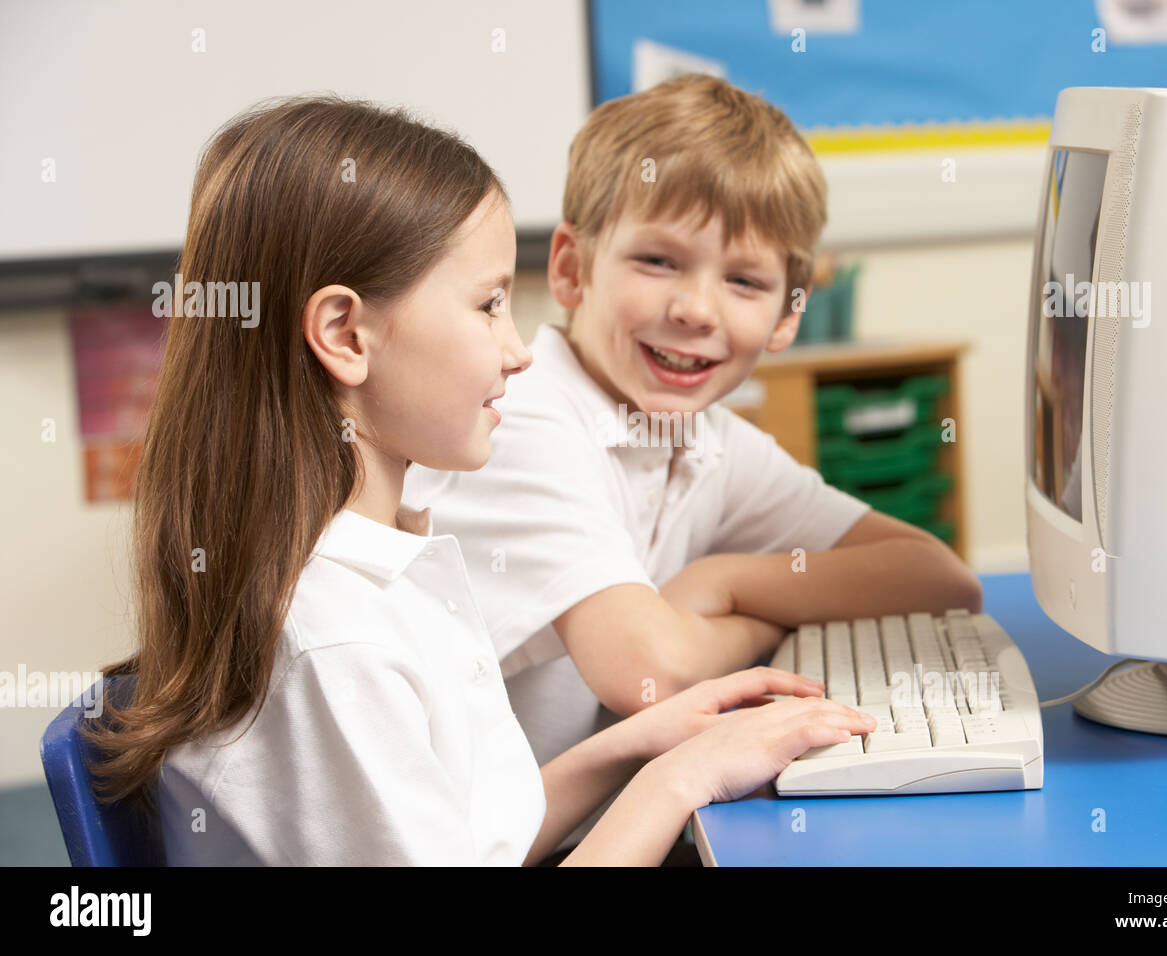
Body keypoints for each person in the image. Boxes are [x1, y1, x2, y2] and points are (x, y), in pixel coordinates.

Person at [82, 95, 874, 865]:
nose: (519, 350)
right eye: (490, 304)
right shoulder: (337, 643)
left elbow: (478, 837)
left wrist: (647, 740)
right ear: (344, 335)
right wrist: (682, 776)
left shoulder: (390, 568)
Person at [402, 74, 984, 853]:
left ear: (787, 316)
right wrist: (760, 619)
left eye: (744, 281)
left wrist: (723, 584)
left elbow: (940, 577)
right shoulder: (523, 414)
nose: (697, 309)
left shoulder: (710, 440)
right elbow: (652, 672)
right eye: (658, 261)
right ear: (572, 269)